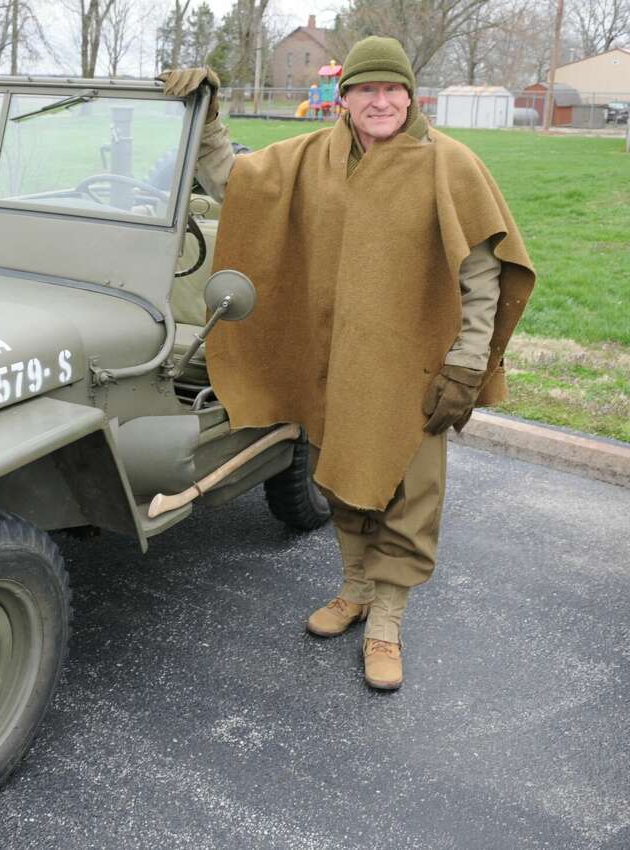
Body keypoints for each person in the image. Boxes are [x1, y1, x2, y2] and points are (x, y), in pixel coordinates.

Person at [160, 39, 535, 691]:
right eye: (366, 90)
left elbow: (484, 277)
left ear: (412, 97)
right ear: (346, 97)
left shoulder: (451, 165)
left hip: (420, 366)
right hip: (337, 361)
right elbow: (235, 183)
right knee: (341, 477)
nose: (381, 102)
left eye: (393, 90)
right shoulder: (314, 158)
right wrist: (209, 117)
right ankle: (356, 589)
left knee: (410, 494)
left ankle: (387, 619)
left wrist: (468, 366)